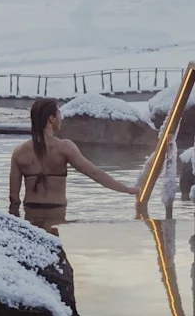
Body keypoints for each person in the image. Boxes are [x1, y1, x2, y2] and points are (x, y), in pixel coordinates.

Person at [9, 97, 138, 228]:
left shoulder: (19, 152)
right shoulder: (64, 147)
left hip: (31, 213)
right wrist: (127, 190)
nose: (61, 117)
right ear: (51, 118)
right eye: (59, 113)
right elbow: (94, 173)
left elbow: (14, 199)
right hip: (56, 213)